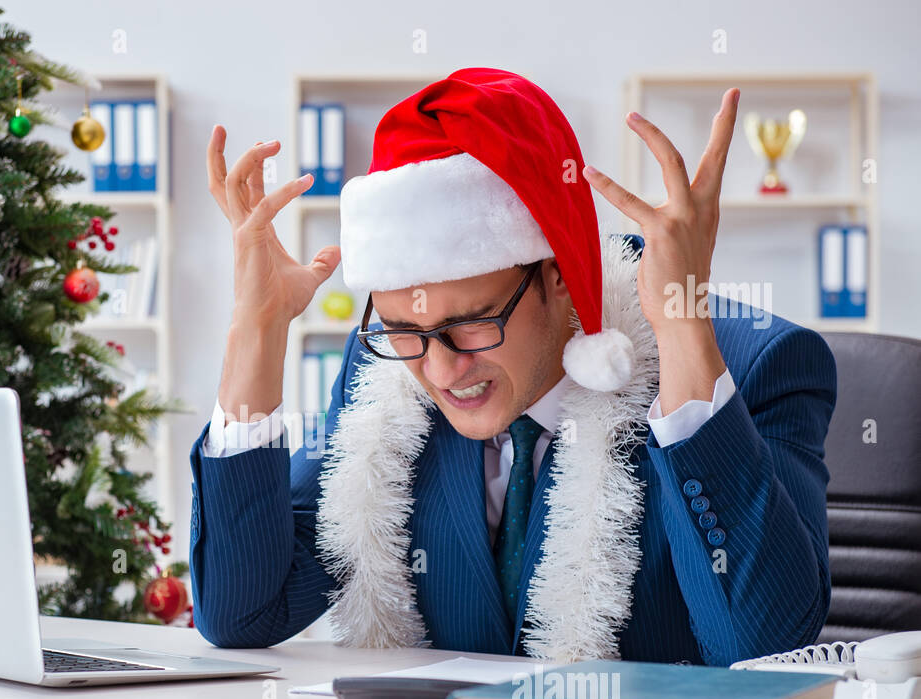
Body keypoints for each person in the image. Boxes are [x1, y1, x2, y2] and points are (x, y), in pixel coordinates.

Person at [188, 68, 835, 666]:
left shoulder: (757, 369)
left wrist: (684, 333)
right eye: (405, 328)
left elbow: (761, 654)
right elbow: (245, 610)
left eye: (471, 321)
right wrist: (258, 332)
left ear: (559, 271)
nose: (441, 368)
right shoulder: (387, 375)